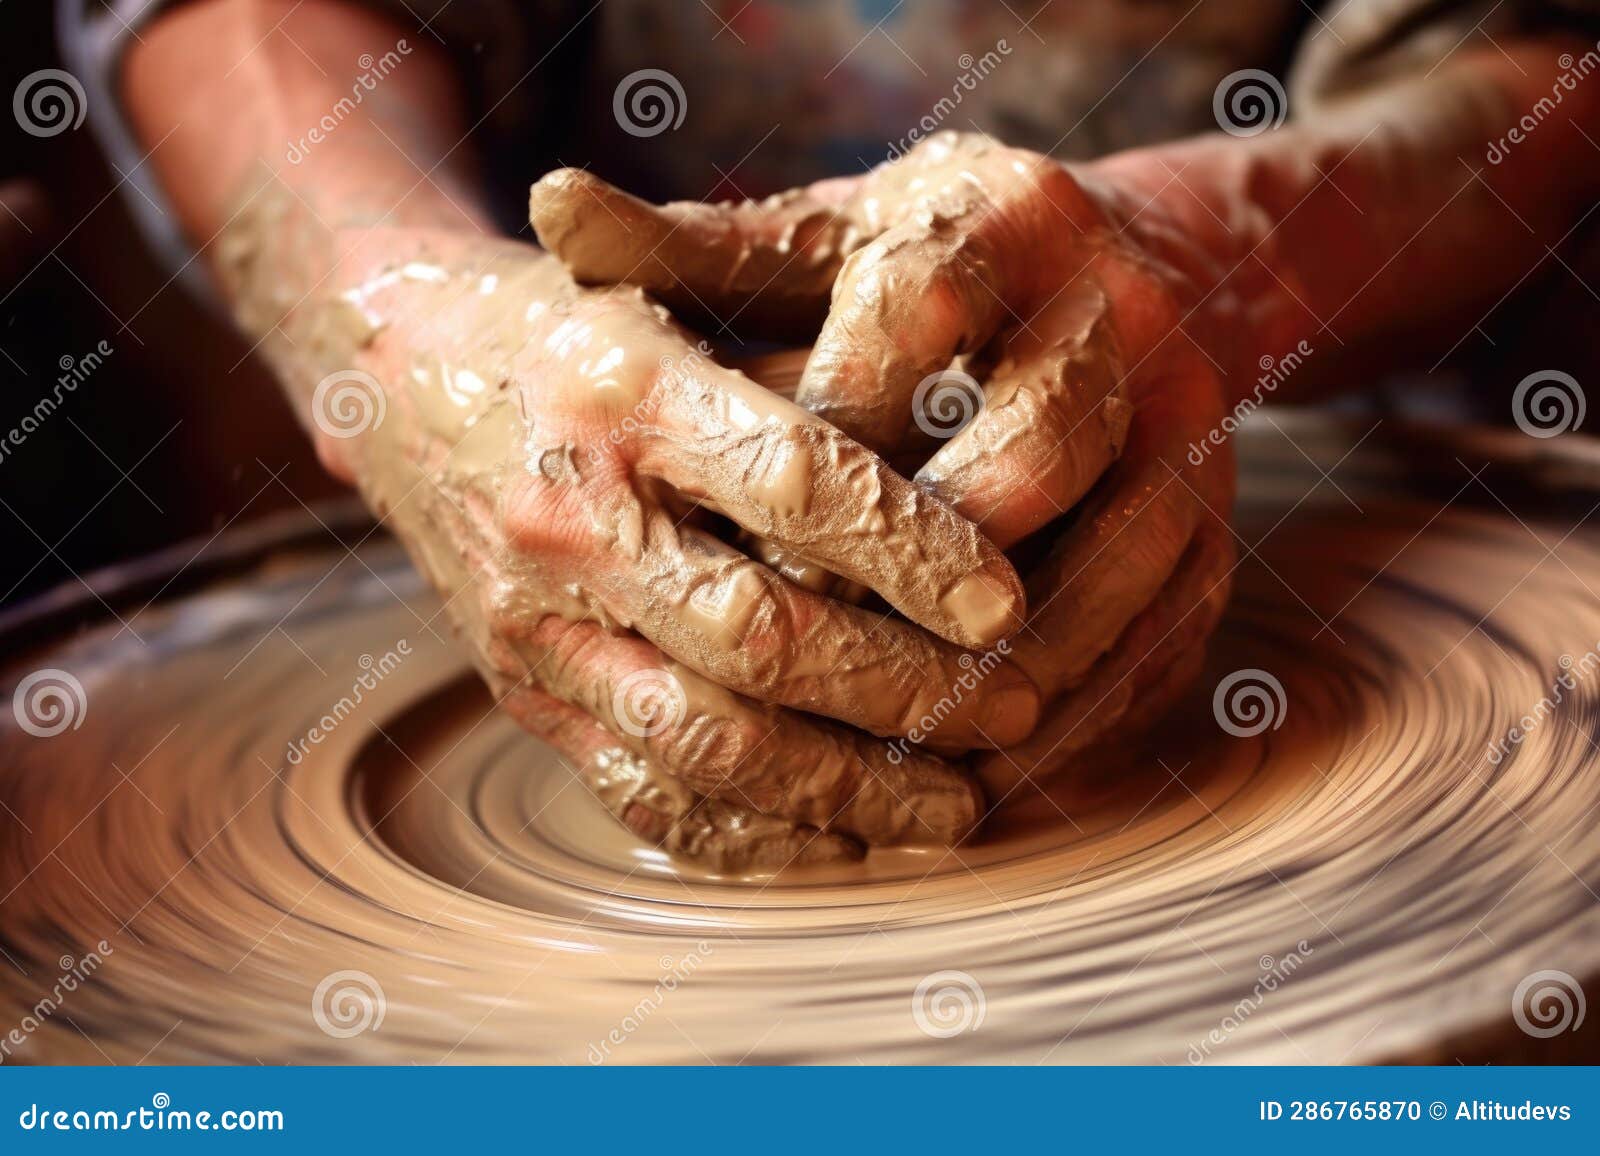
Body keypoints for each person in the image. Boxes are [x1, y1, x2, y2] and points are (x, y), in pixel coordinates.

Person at [62, 0, 1600, 865]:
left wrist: (1216, 258)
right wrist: (402, 320)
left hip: (1300, 471)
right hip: (580, 462)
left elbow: (1545, 61)